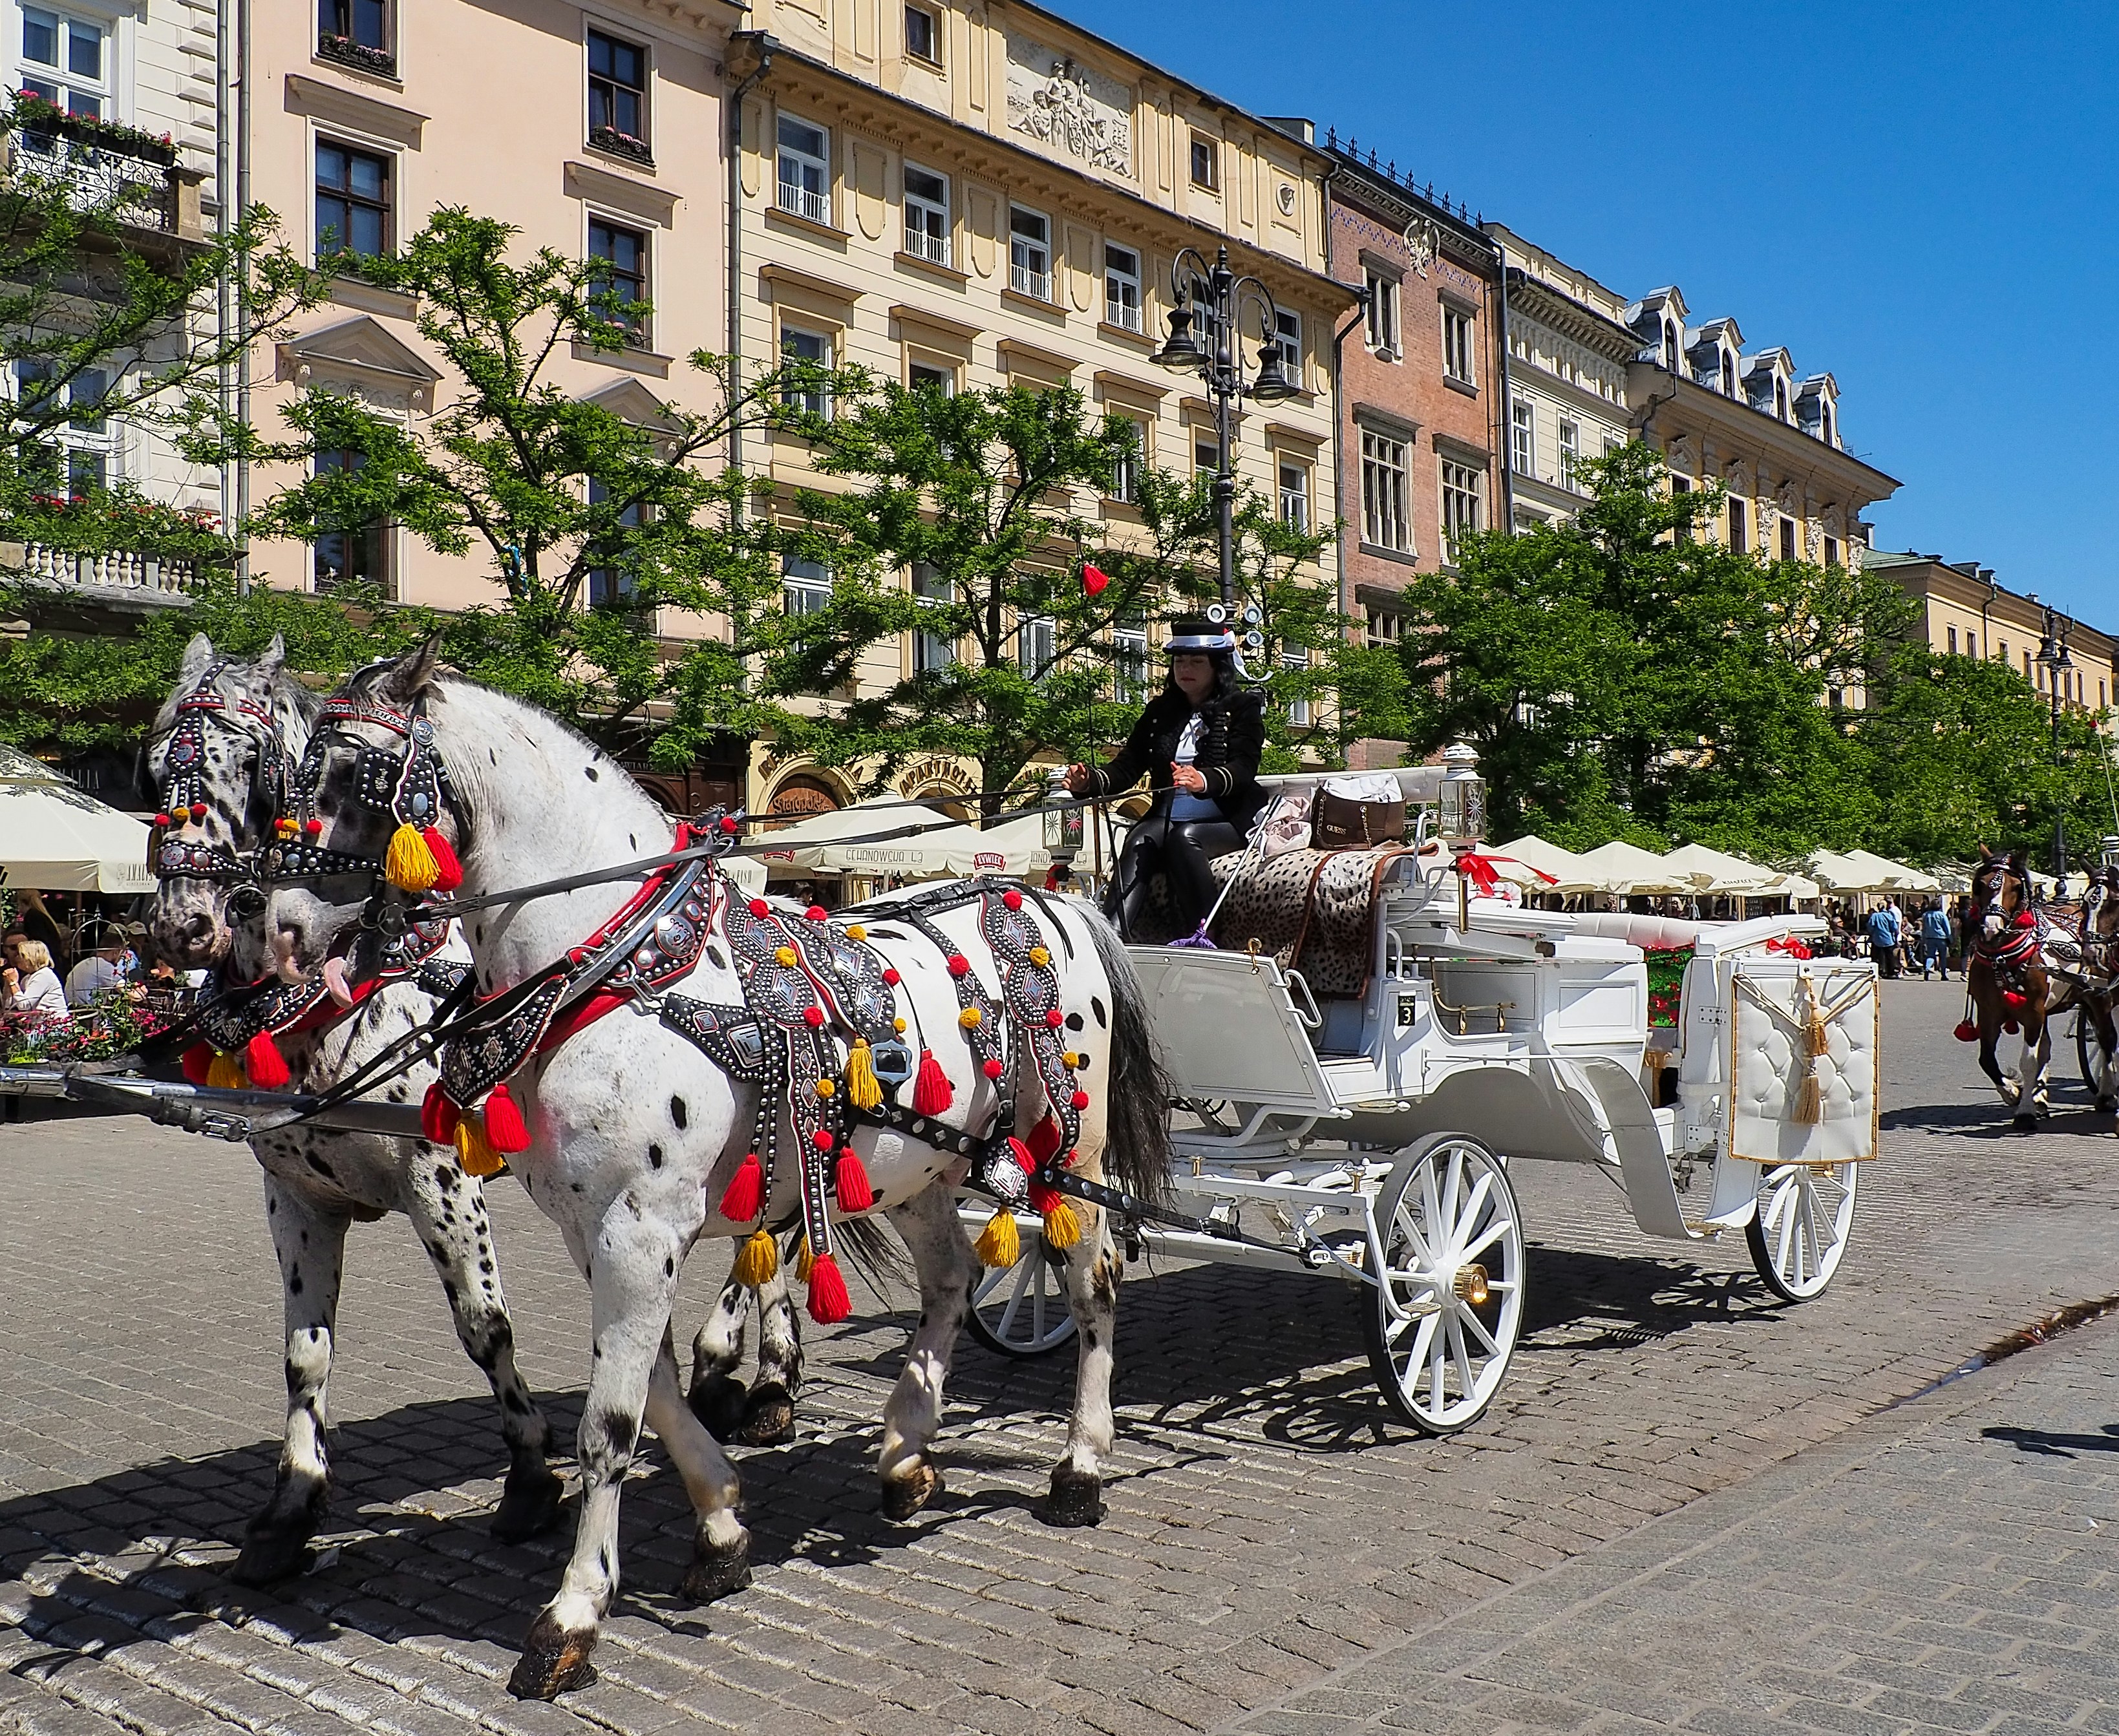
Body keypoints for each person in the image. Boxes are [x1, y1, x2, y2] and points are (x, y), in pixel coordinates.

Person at [1066, 617, 1265, 940]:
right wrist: (1089, 782)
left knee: (1184, 838)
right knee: (1140, 837)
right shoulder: (1159, 711)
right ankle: (1111, 937)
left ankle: (1205, 935)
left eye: (1196, 661)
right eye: (1179, 660)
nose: (1185, 668)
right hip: (1166, 816)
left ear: (1217, 666)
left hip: (1227, 819)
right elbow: (1128, 767)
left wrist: (1205, 780)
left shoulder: (1243, 707)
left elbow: (1244, 768)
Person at [1, 935, 70, 1022]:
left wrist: (13, 983)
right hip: (38, 1025)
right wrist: (9, 983)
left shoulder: (44, 975)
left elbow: (25, 1005)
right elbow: (9, 1005)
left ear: (30, 958)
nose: (17, 958)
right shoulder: (27, 978)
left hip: (55, 1025)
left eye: (20, 955)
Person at [65, 929, 136, 1005]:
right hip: (88, 1013)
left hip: (72, 1010)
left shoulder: (84, 963)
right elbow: (128, 992)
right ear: (116, 953)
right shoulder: (104, 966)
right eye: (121, 955)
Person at [1865, 898, 1902, 979]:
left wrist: (1873, 933)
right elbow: (1894, 928)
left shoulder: (1875, 916)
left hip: (1877, 939)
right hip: (1888, 939)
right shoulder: (1889, 916)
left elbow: (1870, 926)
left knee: (1876, 957)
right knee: (1889, 957)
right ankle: (1891, 973)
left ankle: (1878, 972)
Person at [1918, 898, 1953, 980]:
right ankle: (1943, 975)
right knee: (1943, 957)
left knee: (1930, 955)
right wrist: (1950, 938)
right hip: (1941, 938)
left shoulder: (1925, 915)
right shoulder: (1942, 915)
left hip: (1929, 937)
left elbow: (1924, 928)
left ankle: (1927, 968)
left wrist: (1923, 938)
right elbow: (1947, 928)